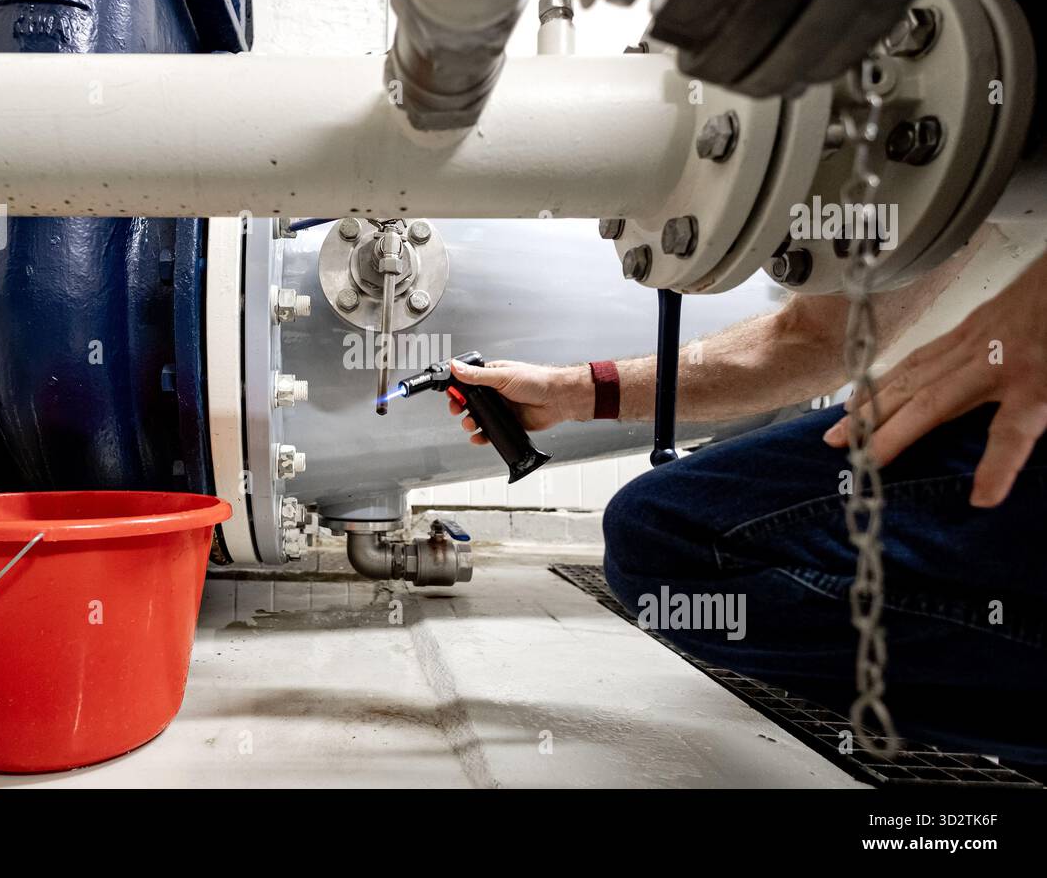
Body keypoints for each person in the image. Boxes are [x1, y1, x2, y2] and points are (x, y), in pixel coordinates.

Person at [446, 227, 1047, 769]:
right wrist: (569, 392)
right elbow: (810, 340)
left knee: (670, 538)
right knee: (661, 549)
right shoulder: (937, 152)